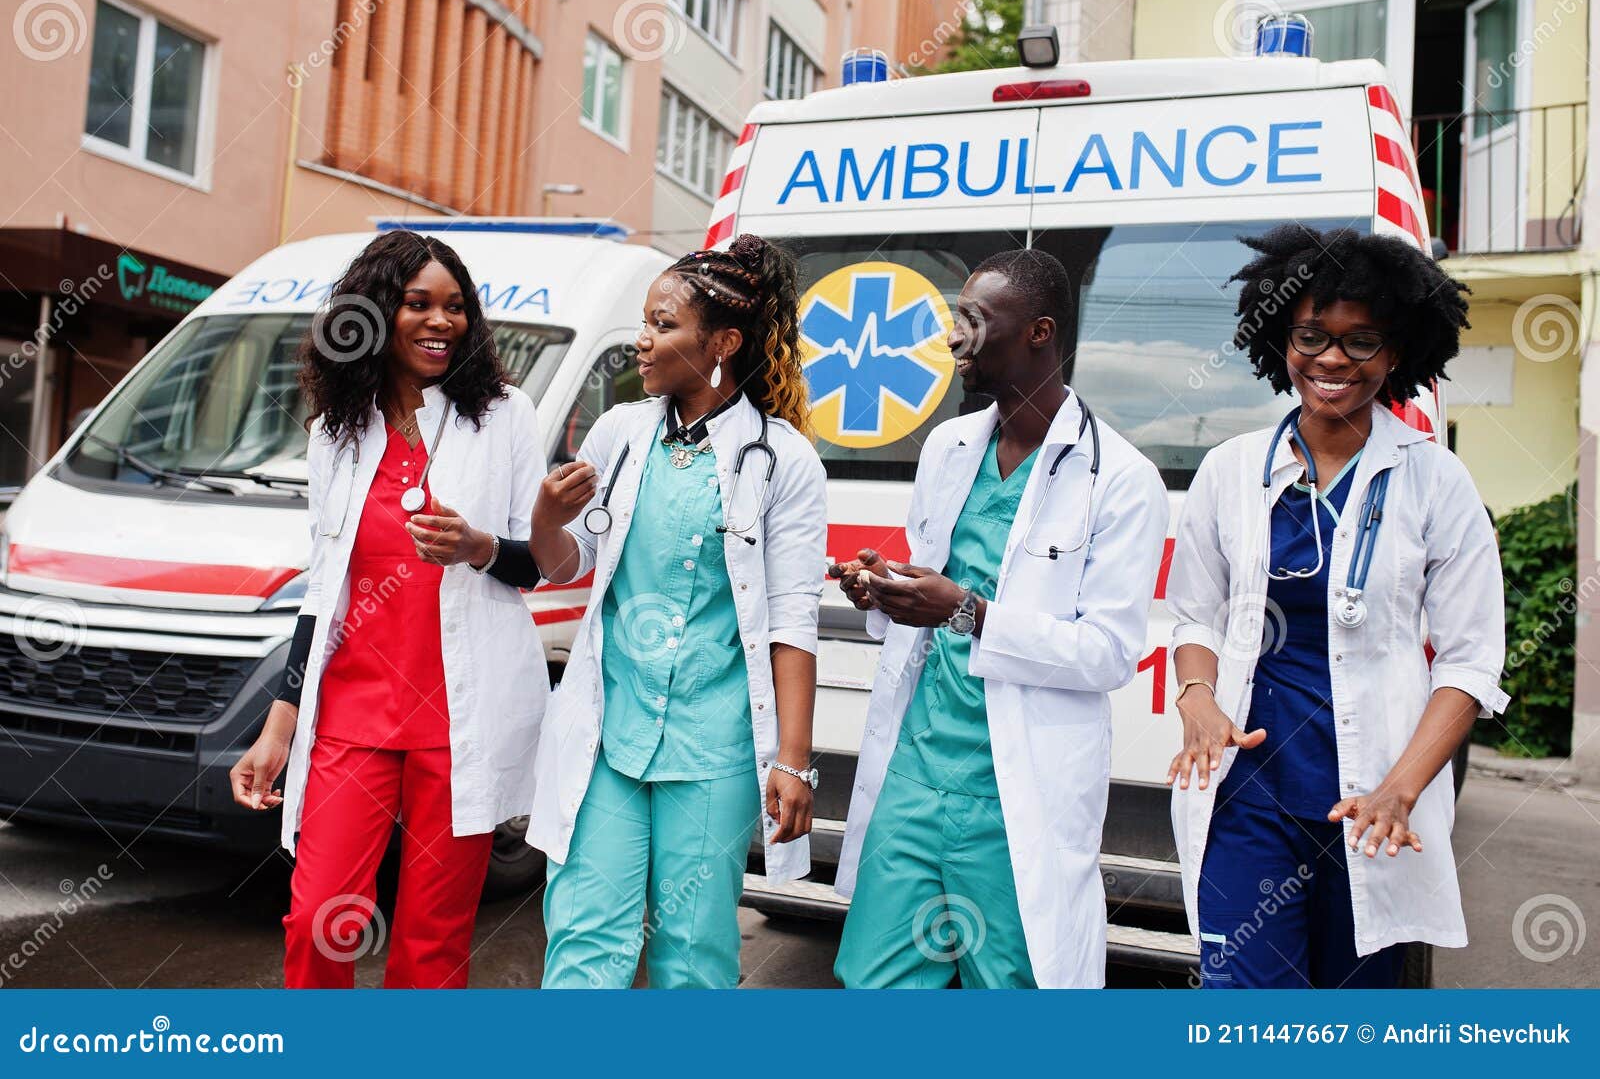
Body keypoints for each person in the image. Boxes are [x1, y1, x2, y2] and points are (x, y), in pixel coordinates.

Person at [1165, 224, 1507, 989]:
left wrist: (1404, 787)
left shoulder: (1435, 482)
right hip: (1248, 794)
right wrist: (1195, 693)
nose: (1331, 359)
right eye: (1312, 334)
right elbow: (1193, 614)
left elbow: (1471, 659)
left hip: (1372, 802)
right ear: (1282, 338)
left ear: (1395, 355)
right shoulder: (1229, 471)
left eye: (1361, 341)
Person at [830, 249, 1168, 988]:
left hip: (1016, 794)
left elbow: (1108, 653)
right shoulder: (950, 447)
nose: (955, 337)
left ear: (1040, 333)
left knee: (1012, 993)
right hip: (916, 776)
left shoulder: (1122, 479)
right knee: (876, 988)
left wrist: (968, 610)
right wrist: (887, 591)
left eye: (975, 321)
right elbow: (939, 594)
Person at [229, 230, 549, 988]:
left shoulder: (504, 416)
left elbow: (537, 560)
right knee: (318, 922)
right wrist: (278, 727)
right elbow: (323, 587)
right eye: (418, 304)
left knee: (431, 945)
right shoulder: (336, 434)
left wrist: (478, 546)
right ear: (375, 313)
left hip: (459, 721)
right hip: (351, 715)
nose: (442, 321)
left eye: (456, 306)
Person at [526, 234, 826, 989]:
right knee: (586, 939)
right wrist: (542, 517)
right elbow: (568, 565)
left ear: (721, 342)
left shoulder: (781, 459)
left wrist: (793, 760)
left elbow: (792, 620)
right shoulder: (621, 433)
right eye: (646, 320)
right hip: (610, 735)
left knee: (692, 956)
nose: (643, 338)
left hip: (713, 745)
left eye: (663, 324)